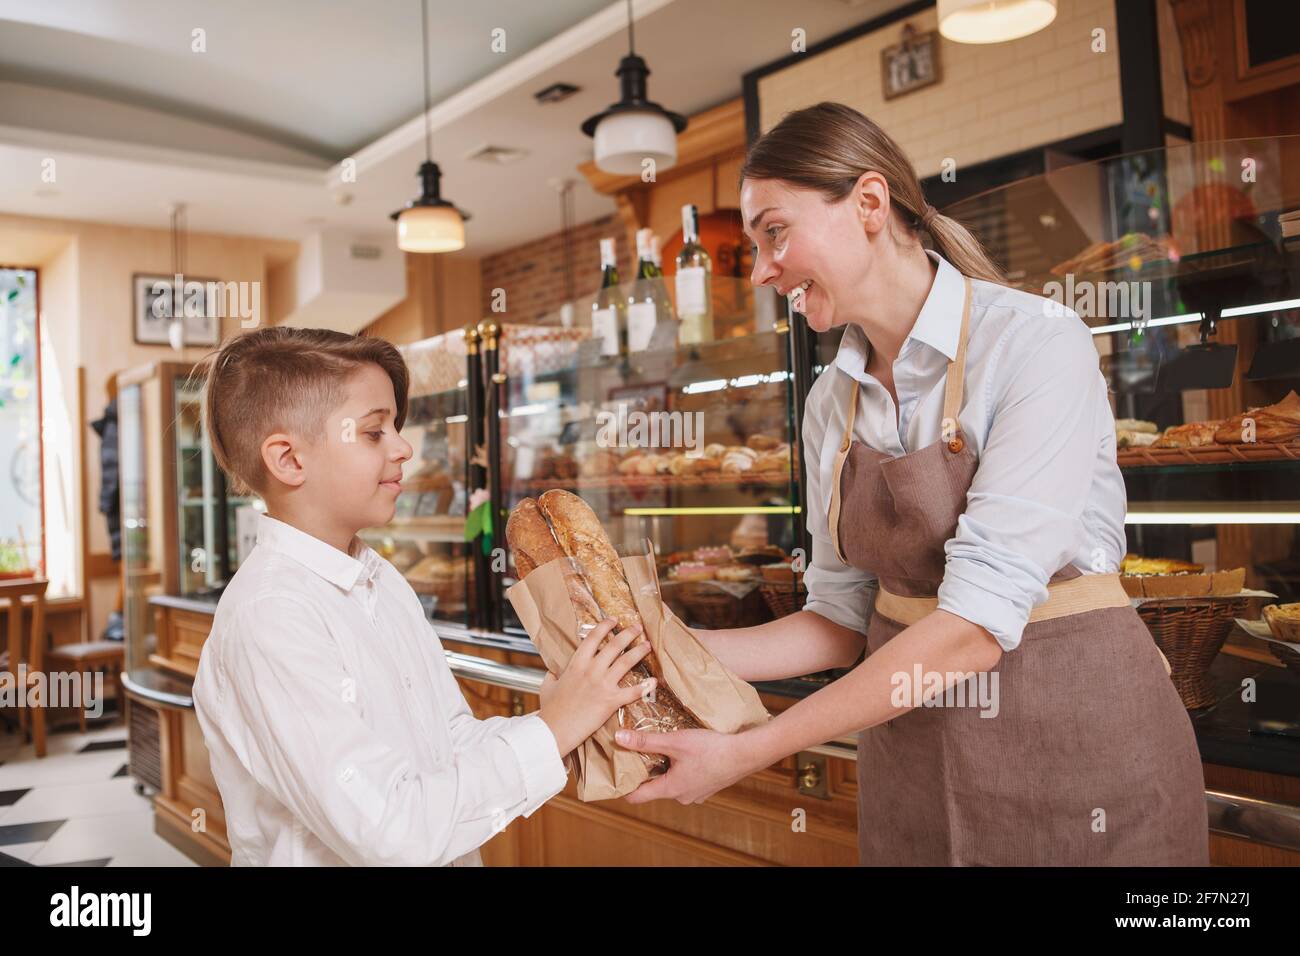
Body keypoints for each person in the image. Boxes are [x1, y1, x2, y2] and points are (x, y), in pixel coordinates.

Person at [615, 102, 1209, 866]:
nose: (763, 269)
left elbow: (970, 628)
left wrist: (753, 748)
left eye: (774, 231)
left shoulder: (1033, 343)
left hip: (1083, 757)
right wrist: (671, 649)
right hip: (917, 769)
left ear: (869, 203)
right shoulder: (832, 401)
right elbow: (839, 616)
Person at [192, 327, 653, 866]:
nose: (404, 446)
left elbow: (446, 742)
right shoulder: (270, 616)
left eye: (396, 425)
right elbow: (392, 830)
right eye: (373, 432)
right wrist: (552, 732)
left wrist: (549, 717)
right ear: (290, 460)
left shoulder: (379, 578)